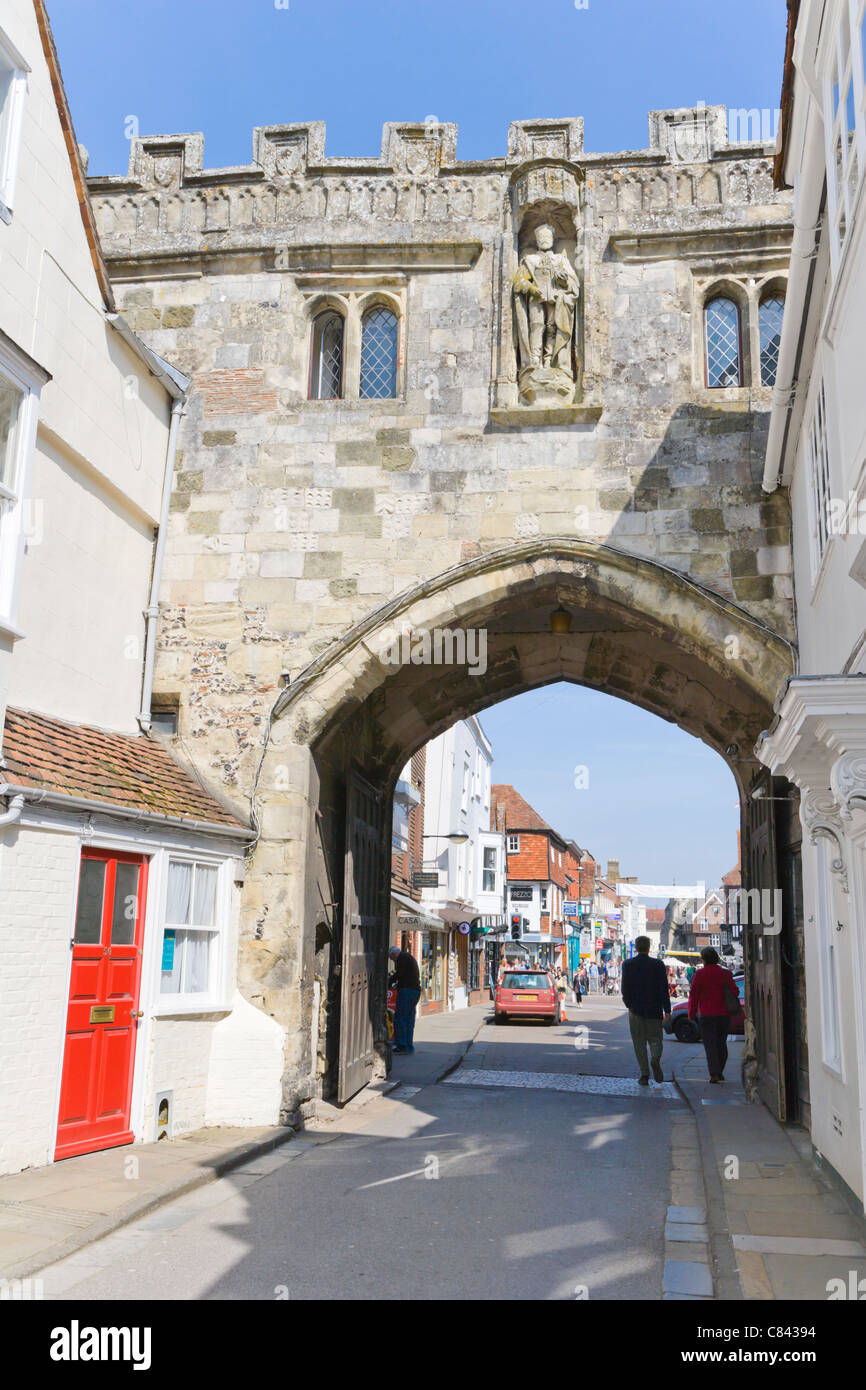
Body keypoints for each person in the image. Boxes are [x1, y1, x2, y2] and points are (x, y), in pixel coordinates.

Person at [621, 937, 671, 1085]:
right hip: (654, 1010)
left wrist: (629, 1004)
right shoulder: (658, 964)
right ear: (649, 948)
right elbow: (664, 989)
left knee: (639, 1043)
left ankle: (644, 1074)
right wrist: (667, 1010)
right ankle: (655, 1059)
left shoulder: (628, 964)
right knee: (656, 1040)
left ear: (636, 947)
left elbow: (625, 988)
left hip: (636, 1010)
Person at [688, 947, 738, 1083]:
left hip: (706, 1014)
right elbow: (735, 991)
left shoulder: (700, 974)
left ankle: (715, 1073)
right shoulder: (726, 973)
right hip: (723, 1014)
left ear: (703, 959)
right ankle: (719, 1070)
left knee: (710, 1045)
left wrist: (691, 1013)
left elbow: (694, 995)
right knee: (721, 1043)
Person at [388, 945, 422, 1055]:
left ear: (394, 954)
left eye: (391, 958)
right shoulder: (408, 957)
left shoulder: (402, 958)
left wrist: (389, 981)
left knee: (400, 1018)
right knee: (409, 1019)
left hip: (406, 990)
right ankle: (409, 1046)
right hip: (415, 991)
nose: (392, 961)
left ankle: (401, 1045)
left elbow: (399, 974)